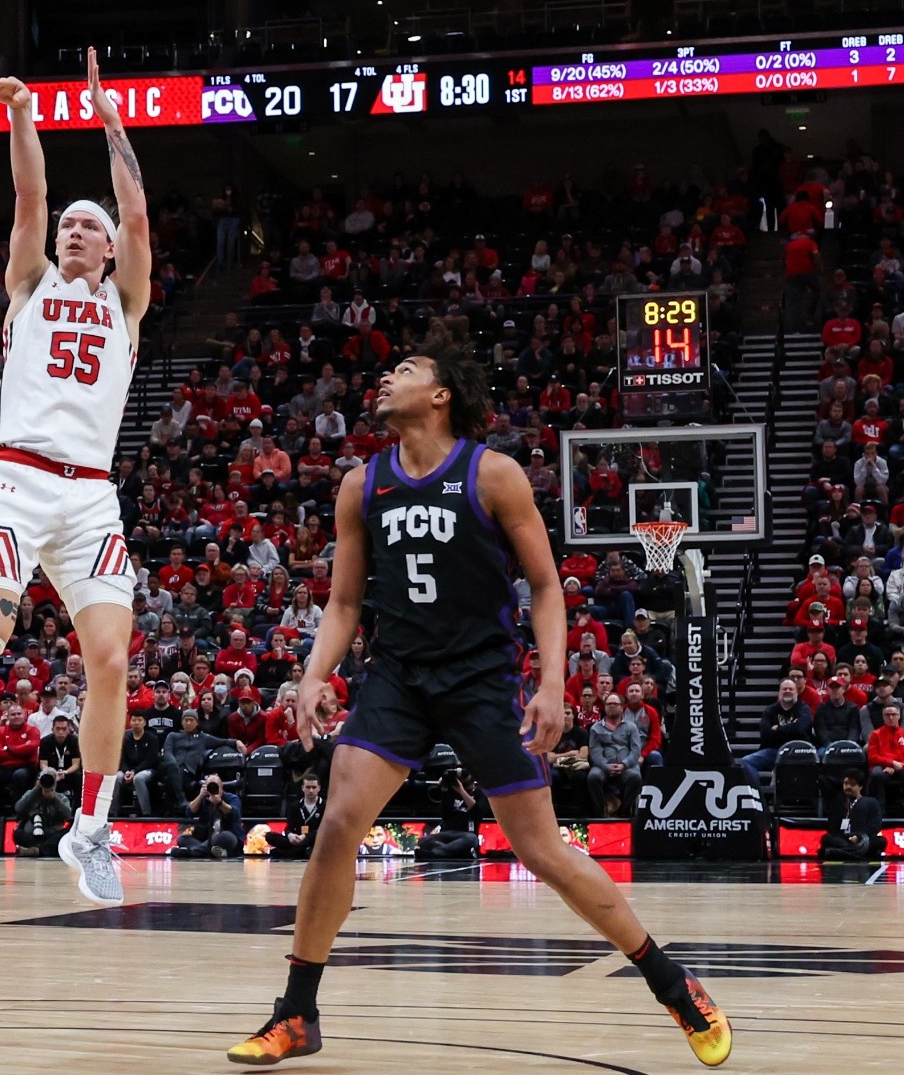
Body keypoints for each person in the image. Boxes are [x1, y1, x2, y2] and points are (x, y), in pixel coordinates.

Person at [226, 348, 728, 1068]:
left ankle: (672, 983)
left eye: (404, 367)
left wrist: (553, 683)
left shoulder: (491, 473)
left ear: (440, 394)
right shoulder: (359, 485)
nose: (385, 375)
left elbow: (547, 587)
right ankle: (297, 1013)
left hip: (483, 681)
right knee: (337, 820)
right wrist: (313, 674)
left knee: (542, 850)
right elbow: (341, 602)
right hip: (398, 679)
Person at [0, 50, 154, 910]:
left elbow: (135, 204)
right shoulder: (29, 283)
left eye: (89, 227)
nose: (73, 232)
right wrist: (21, 114)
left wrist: (107, 116)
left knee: (114, 662)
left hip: (91, 495)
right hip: (16, 479)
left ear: (115, 247)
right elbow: (28, 199)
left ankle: (90, 828)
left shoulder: (127, 305)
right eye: (68, 228)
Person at [416, 769, 484, 860]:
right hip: (447, 833)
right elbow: (444, 814)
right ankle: (454, 852)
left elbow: (477, 812)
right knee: (423, 841)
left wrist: (462, 791)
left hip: (466, 834)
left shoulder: (478, 792)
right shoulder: (451, 792)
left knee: (472, 839)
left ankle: (436, 852)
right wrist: (445, 790)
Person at [820, 771, 884, 860]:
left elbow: (875, 824)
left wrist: (858, 836)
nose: (848, 787)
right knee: (826, 839)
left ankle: (839, 853)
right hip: (844, 839)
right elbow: (822, 779)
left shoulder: (871, 802)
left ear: (860, 787)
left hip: (862, 838)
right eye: (846, 783)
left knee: (881, 841)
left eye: (853, 784)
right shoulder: (838, 804)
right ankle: (858, 855)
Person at [11, 771, 75, 857]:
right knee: (17, 833)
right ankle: (42, 849)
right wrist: (35, 789)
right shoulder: (30, 794)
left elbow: (67, 815)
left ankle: (36, 850)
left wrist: (54, 799)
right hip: (32, 835)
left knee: (68, 834)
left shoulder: (61, 797)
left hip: (52, 835)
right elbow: (18, 808)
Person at [265, 774, 325, 858]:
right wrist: (290, 835)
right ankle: (302, 851)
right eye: (308, 787)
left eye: (314, 787)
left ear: (319, 788)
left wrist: (305, 837)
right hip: (297, 839)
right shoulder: (294, 806)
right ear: (302, 788)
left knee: (320, 836)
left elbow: (323, 829)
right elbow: (289, 827)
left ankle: (292, 852)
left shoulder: (325, 806)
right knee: (269, 836)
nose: (311, 790)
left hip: (314, 840)